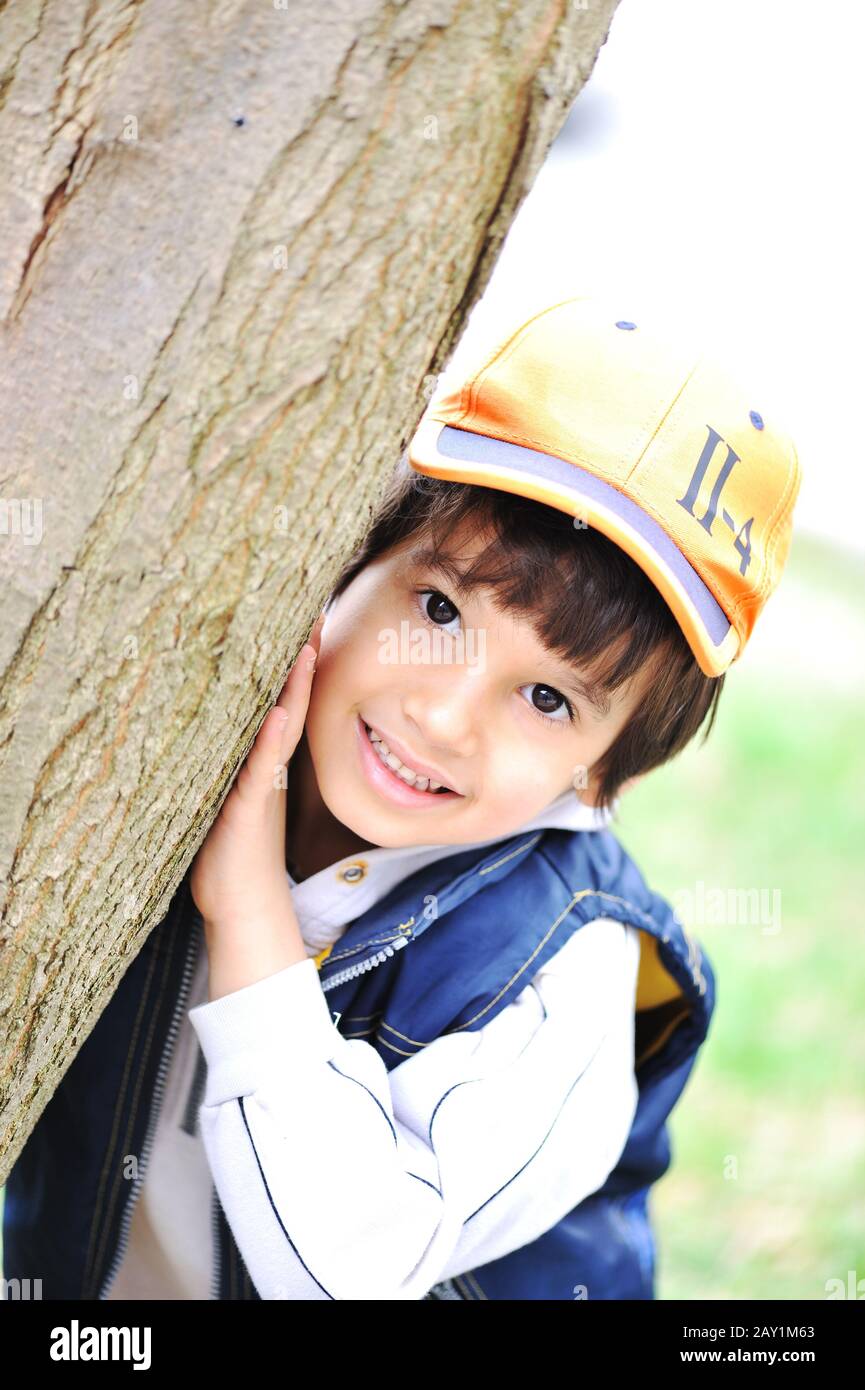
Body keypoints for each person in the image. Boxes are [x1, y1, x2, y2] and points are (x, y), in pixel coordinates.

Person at [1, 295, 801, 1301]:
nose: (443, 713)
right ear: (348, 556)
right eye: (437, 608)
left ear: (606, 774)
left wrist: (249, 907)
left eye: (547, 698)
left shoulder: (566, 976)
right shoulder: (167, 741)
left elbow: (351, 1271)